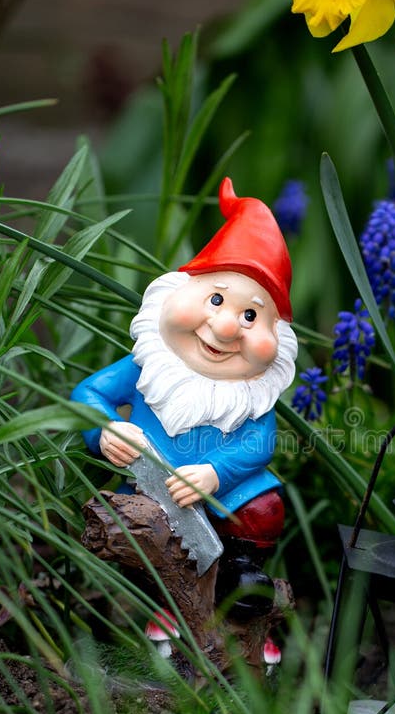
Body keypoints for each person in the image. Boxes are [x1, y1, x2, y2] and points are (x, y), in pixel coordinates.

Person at [71, 177, 298, 616]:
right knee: (142, 531)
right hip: (149, 489)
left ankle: (240, 576)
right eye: (216, 299)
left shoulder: (250, 395)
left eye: (251, 315)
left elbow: (259, 444)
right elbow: (88, 392)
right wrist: (105, 428)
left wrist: (215, 473)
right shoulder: (148, 366)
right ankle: (154, 599)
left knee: (264, 507)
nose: (228, 328)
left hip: (222, 494)